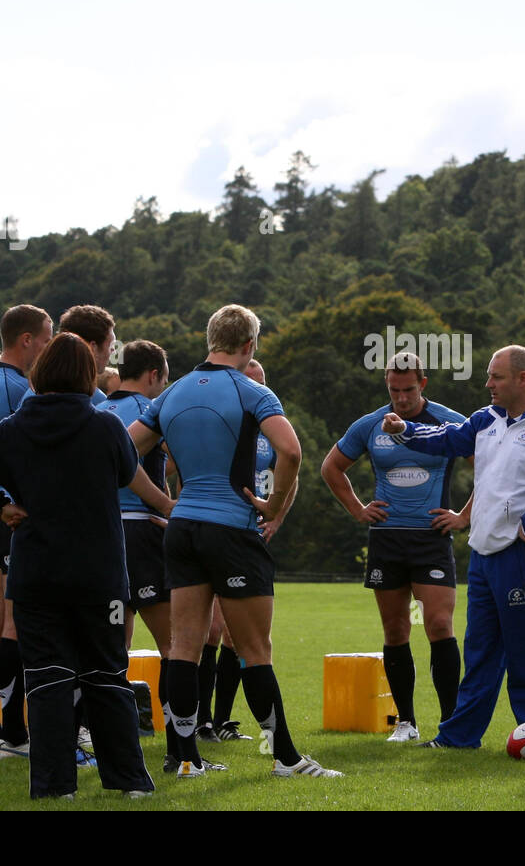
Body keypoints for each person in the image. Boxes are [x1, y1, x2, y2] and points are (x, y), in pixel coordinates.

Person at [128, 304, 341, 777]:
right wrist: (275, 504)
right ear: (249, 347)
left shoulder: (173, 393)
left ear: (210, 340)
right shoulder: (252, 391)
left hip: (181, 528)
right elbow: (290, 450)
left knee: (183, 646)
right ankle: (285, 759)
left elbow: (123, 451)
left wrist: (160, 502)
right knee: (254, 650)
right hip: (232, 529)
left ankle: (184, 760)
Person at [0, 332, 156, 799]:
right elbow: (125, 474)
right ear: (87, 376)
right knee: (106, 677)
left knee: (47, 680)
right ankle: (128, 782)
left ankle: (54, 786)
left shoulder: (16, 427)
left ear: (40, 374)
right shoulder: (105, 427)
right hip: (99, 576)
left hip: (37, 573)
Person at [381, 345, 525, 749]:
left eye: (496, 377)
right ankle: (458, 737)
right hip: (483, 555)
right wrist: (407, 430)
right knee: (480, 650)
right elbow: (449, 437)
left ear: (523, 378)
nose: (488, 384)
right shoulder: (485, 420)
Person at [321, 352, 469, 743]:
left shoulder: (449, 421)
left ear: (423, 384)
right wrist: (357, 509)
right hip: (387, 539)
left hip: (431, 538)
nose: (400, 398)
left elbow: (492, 465)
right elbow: (331, 467)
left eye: (407, 389)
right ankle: (406, 722)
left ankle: (451, 723)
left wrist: (464, 515)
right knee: (396, 628)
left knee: (438, 625)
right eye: (393, 390)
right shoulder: (371, 425)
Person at [0, 304, 53, 757]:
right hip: (12, 514)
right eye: (46, 336)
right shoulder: (16, 387)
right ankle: (14, 735)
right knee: (16, 624)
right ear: (26, 340)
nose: (48, 345)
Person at [96, 340, 180, 768]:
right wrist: (170, 506)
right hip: (141, 535)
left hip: (99, 538)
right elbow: (137, 473)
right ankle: (179, 747)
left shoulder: (96, 411)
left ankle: (105, 743)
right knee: (174, 645)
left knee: (114, 647)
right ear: (153, 376)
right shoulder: (148, 414)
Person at [196, 358, 289, 745]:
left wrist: (277, 515)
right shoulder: (215, 421)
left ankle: (222, 721)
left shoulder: (271, 426)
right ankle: (200, 721)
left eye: (262, 382)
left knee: (239, 638)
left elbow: (291, 464)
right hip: (214, 532)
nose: (256, 389)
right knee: (212, 630)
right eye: (250, 382)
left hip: (249, 537)